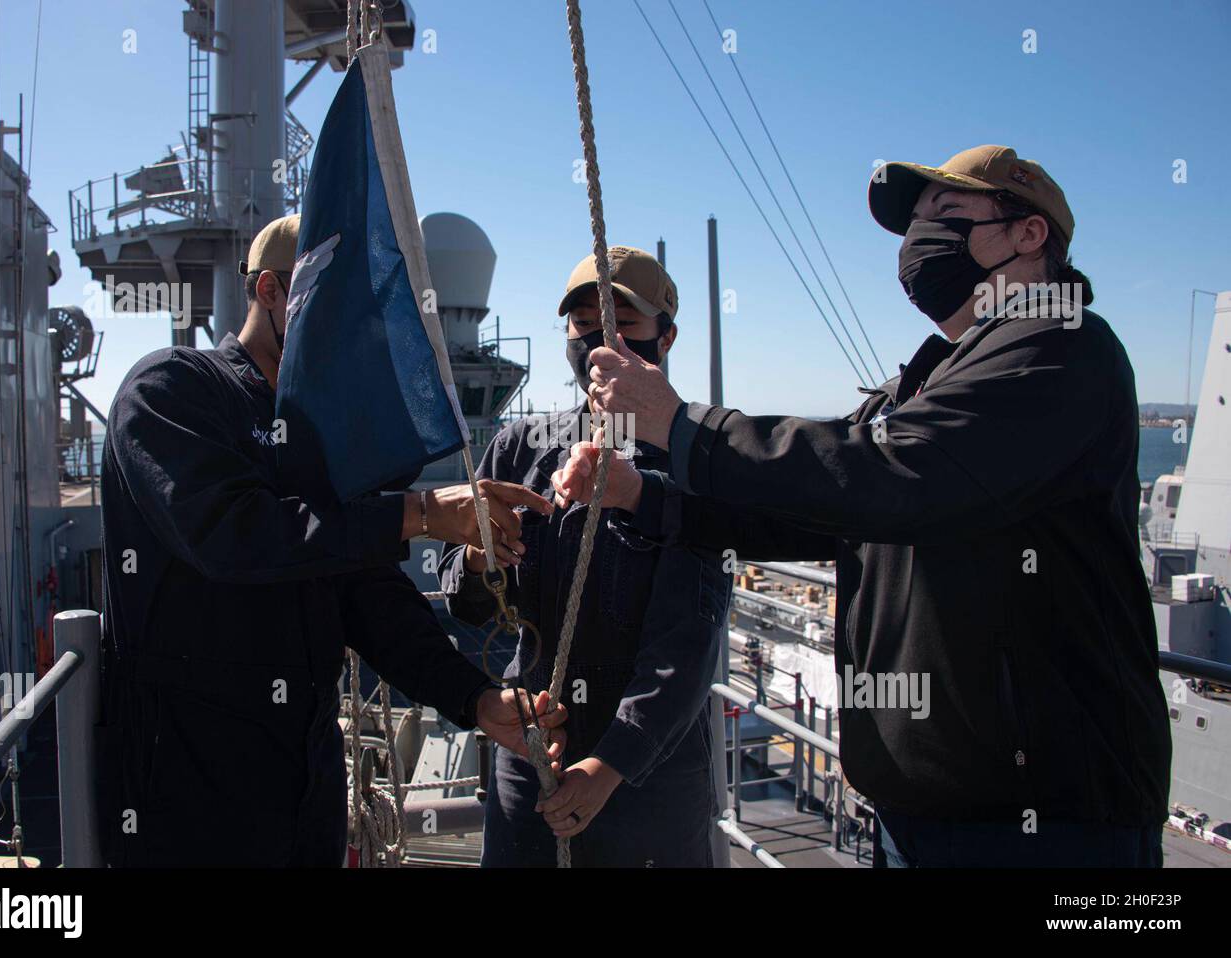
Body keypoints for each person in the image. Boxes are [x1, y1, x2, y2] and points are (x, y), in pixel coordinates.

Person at [555, 146, 1173, 867]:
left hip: (1046, 825)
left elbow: (895, 472)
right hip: (922, 811)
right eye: (915, 224)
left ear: (1027, 234)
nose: (918, 241)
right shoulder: (929, 378)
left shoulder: (1061, 348)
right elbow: (817, 504)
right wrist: (645, 495)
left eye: (943, 215)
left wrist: (683, 427)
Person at [96, 215, 562, 867]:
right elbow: (238, 536)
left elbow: (366, 593)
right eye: (332, 305)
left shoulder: (310, 437)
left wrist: (476, 699)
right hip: (188, 800)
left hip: (301, 793)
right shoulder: (170, 392)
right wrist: (422, 511)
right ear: (269, 292)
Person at [438, 246, 731, 867]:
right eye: (582, 325)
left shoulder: (702, 456)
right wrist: (476, 559)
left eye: (623, 324)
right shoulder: (521, 447)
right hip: (535, 750)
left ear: (666, 336)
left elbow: (690, 638)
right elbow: (463, 600)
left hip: (650, 776)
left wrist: (611, 765)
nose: (599, 339)